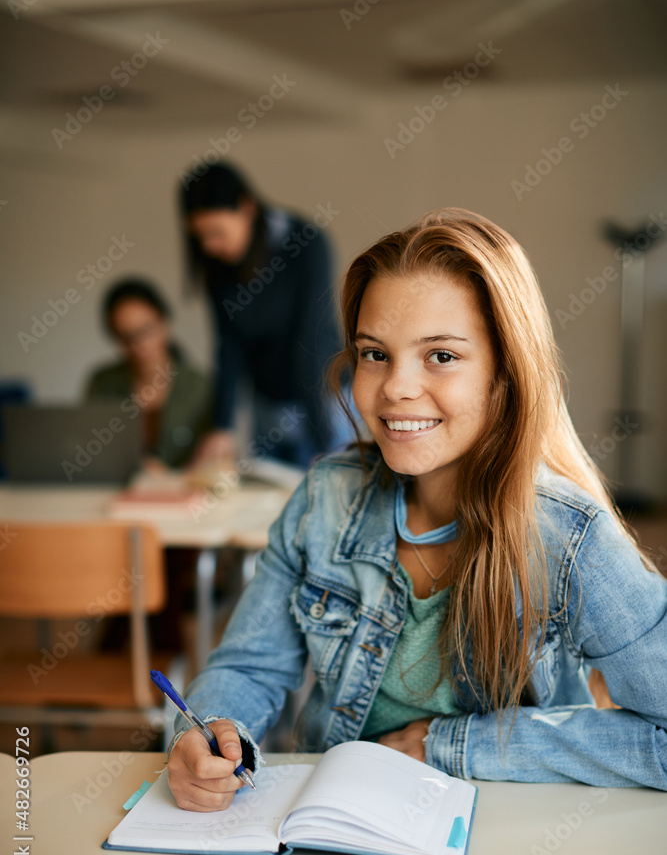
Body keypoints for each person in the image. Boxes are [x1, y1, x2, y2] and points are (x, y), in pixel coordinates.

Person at [167, 207, 667, 811]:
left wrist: (451, 745)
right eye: (375, 354)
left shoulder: (570, 536)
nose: (396, 387)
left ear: (505, 373)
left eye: (441, 356)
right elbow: (249, 667)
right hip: (339, 834)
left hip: (513, 850)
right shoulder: (324, 498)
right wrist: (214, 729)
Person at [179, 161, 344, 469]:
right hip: (269, 406)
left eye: (216, 232)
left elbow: (309, 342)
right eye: (200, 237)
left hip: (324, 400)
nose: (210, 246)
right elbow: (229, 348)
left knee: (334, 500)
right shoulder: (218, 264)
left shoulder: (305, 243)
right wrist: (221, 427)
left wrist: (325, 439)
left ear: (247, 207)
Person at [85, 278, 212, 468]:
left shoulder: (201, 386)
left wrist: (168, 476)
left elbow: (212, 460)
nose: (140, 344)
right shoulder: (102, 383)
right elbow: (89, 450)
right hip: (118, 491)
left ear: (165, 324)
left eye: (147, 329)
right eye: (127, 337)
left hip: (180, 492)